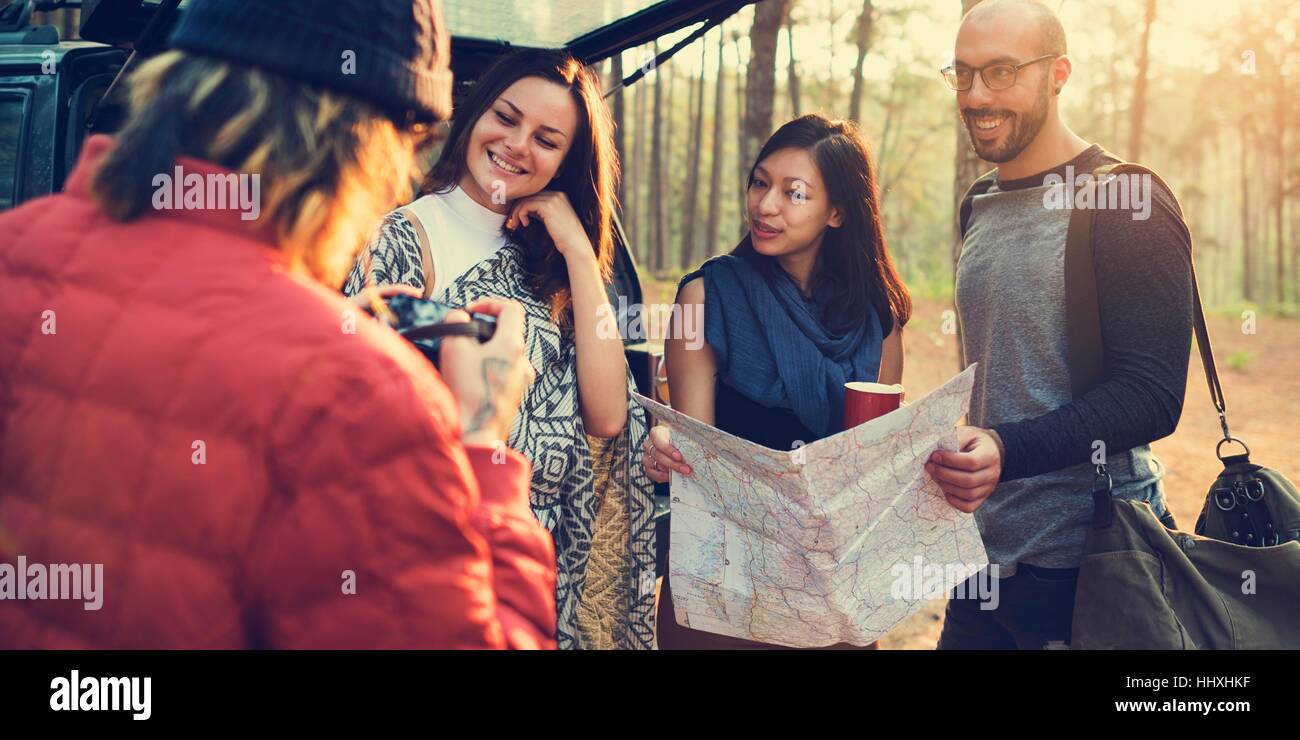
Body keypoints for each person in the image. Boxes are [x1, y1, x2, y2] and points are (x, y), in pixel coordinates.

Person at [0, 0, 555, 649]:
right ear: (362, 145)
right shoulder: (360, 399)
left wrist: (311, 336)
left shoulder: (17, 252)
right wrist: (486, 438)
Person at [343, 49, 656, 650]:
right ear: (473, 113)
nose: (517, 144)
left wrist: (580, 252)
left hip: (538, 550)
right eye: (506, 118)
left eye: (546, 139)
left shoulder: (552, 265)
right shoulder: (399, 239)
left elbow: (609, 413)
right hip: (436, 541)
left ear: (566, 164)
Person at [930, 0, 1193, 649]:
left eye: (1000, 72)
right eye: (962, 75)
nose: (976, 95)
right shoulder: (980, 203)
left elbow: (1153, 396)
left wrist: (1007, 450)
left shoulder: (1126, 200)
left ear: (1059, 73)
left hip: (1091, 561)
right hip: (984, 556)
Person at [643, 115, 910, 649]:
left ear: (837, 212)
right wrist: (665, 447)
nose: (765, 205)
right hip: (726, 587)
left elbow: (878, 465)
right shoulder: (707, 295)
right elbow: (695, 450)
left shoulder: (875, 318)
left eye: (794, 193)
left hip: (831, 590)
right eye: (760, 182)